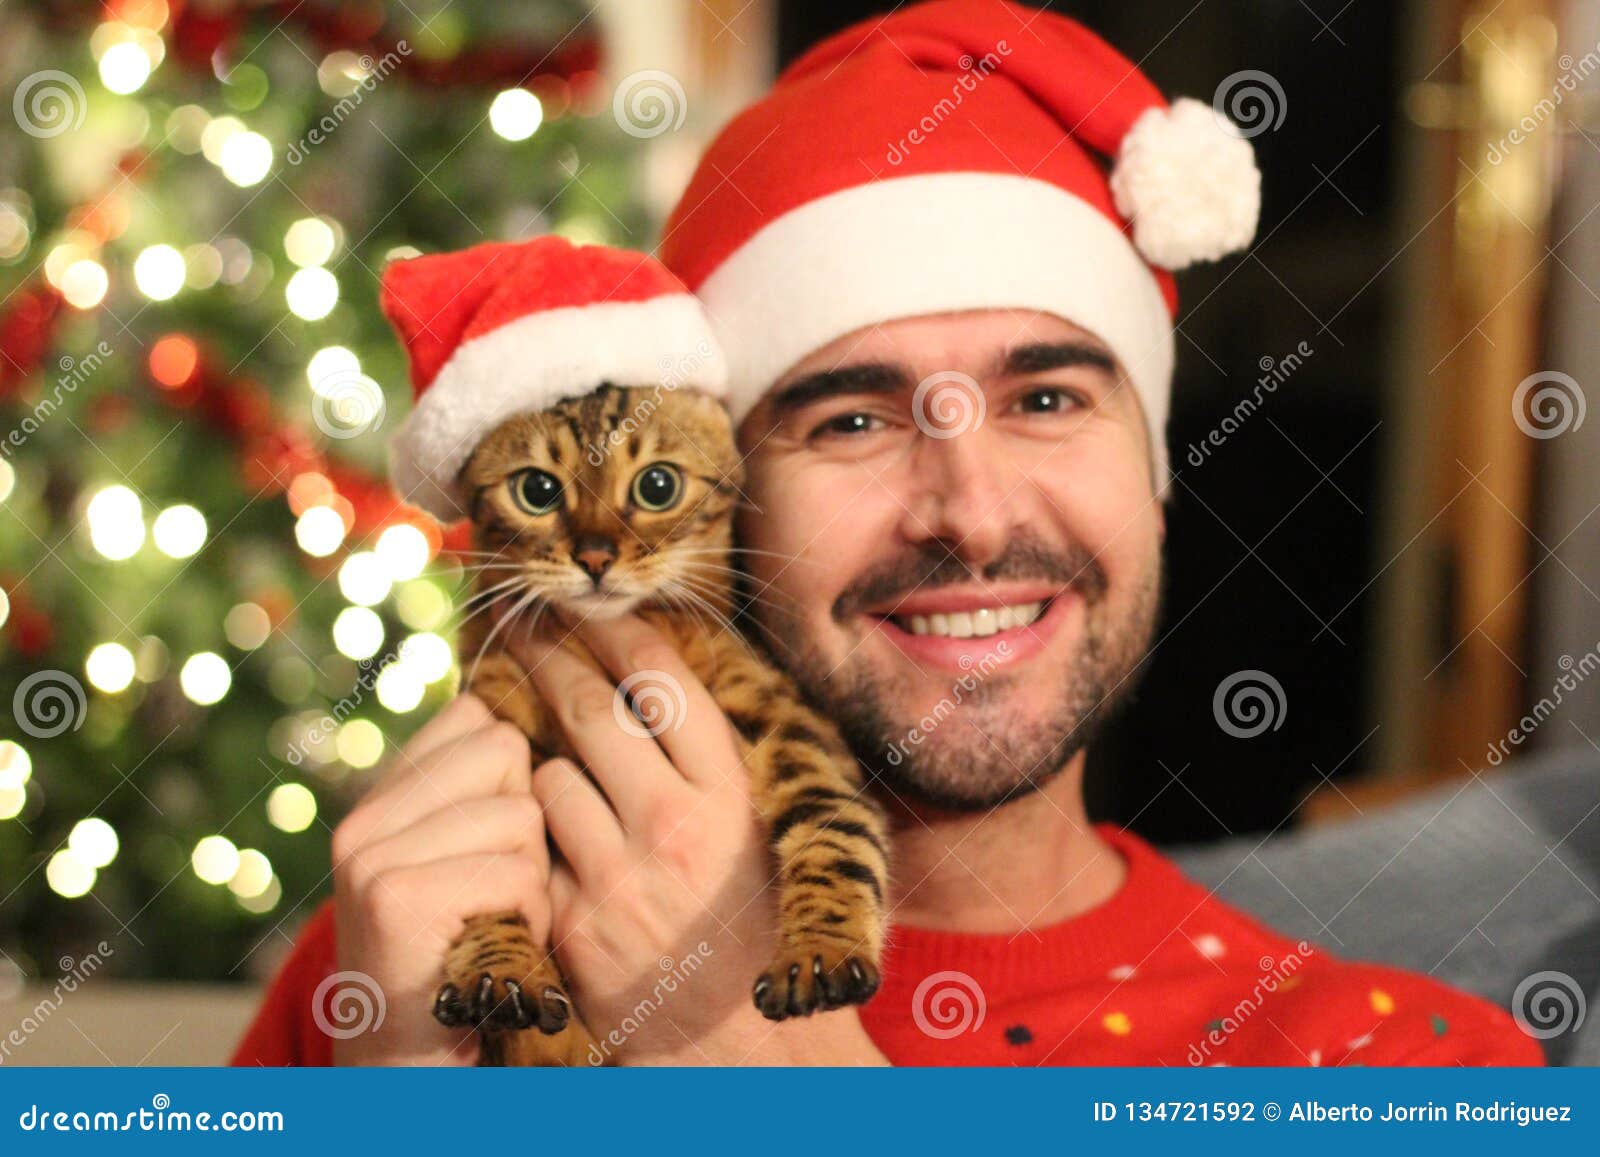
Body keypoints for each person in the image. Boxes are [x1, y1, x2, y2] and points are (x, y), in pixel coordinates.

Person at [233, 0, 1541, 1067]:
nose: (970, 513)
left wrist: (747, 1050)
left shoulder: (1393, 1065)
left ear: (1150, 470)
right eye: (851, 420)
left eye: (1044, 398)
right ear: (725, 495)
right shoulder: (405, 939)